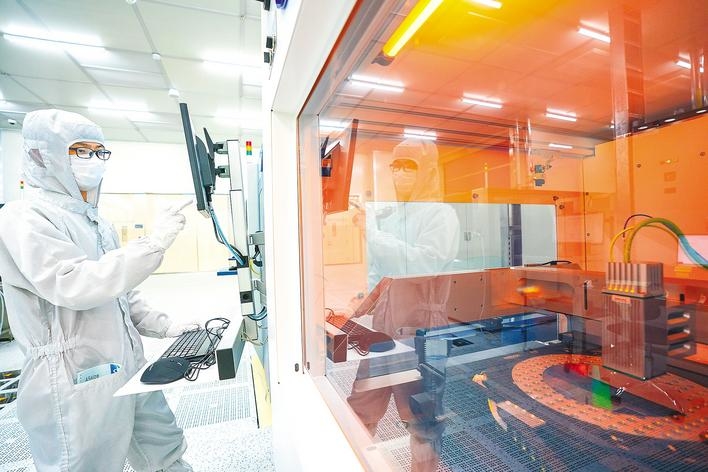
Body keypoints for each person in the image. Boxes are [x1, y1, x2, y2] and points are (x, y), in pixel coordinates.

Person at [0, 109, 198, 471]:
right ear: (43, 155)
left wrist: (165, 326)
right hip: (73, 375)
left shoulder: (96, 222)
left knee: (164, 448)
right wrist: (153, 243)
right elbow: (75, 283)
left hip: (127, 361)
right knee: (86, 463)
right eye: (80, 150)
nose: (92, 160)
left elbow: (120, 293)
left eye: (98, 151)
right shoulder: (25, 217)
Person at [346, 138, 460, 472]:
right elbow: (383, 273)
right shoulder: (395, 217)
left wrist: (372, 233)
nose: (399, 174)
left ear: (427, 171)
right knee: (360, 407)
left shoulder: (441, 215)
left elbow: (422, 265)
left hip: (420, 334)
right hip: (383, 333)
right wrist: (361, 304)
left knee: (422, 421)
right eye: (395, 166)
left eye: (408, 166)